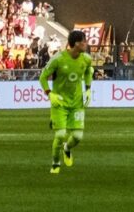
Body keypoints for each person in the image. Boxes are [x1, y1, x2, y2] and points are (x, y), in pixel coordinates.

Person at [39, 30, 94, 175]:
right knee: (60, 134)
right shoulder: (58, 59)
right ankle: (55, 163)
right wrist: (49, 94)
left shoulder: (86, 59)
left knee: (77, 137)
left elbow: (89, 71)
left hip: (77, 103)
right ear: (76, 43)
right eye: (84, 41)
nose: (86, 43)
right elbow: (42, 77)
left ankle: (67, 149)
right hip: (60, 102)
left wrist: (87, 89)